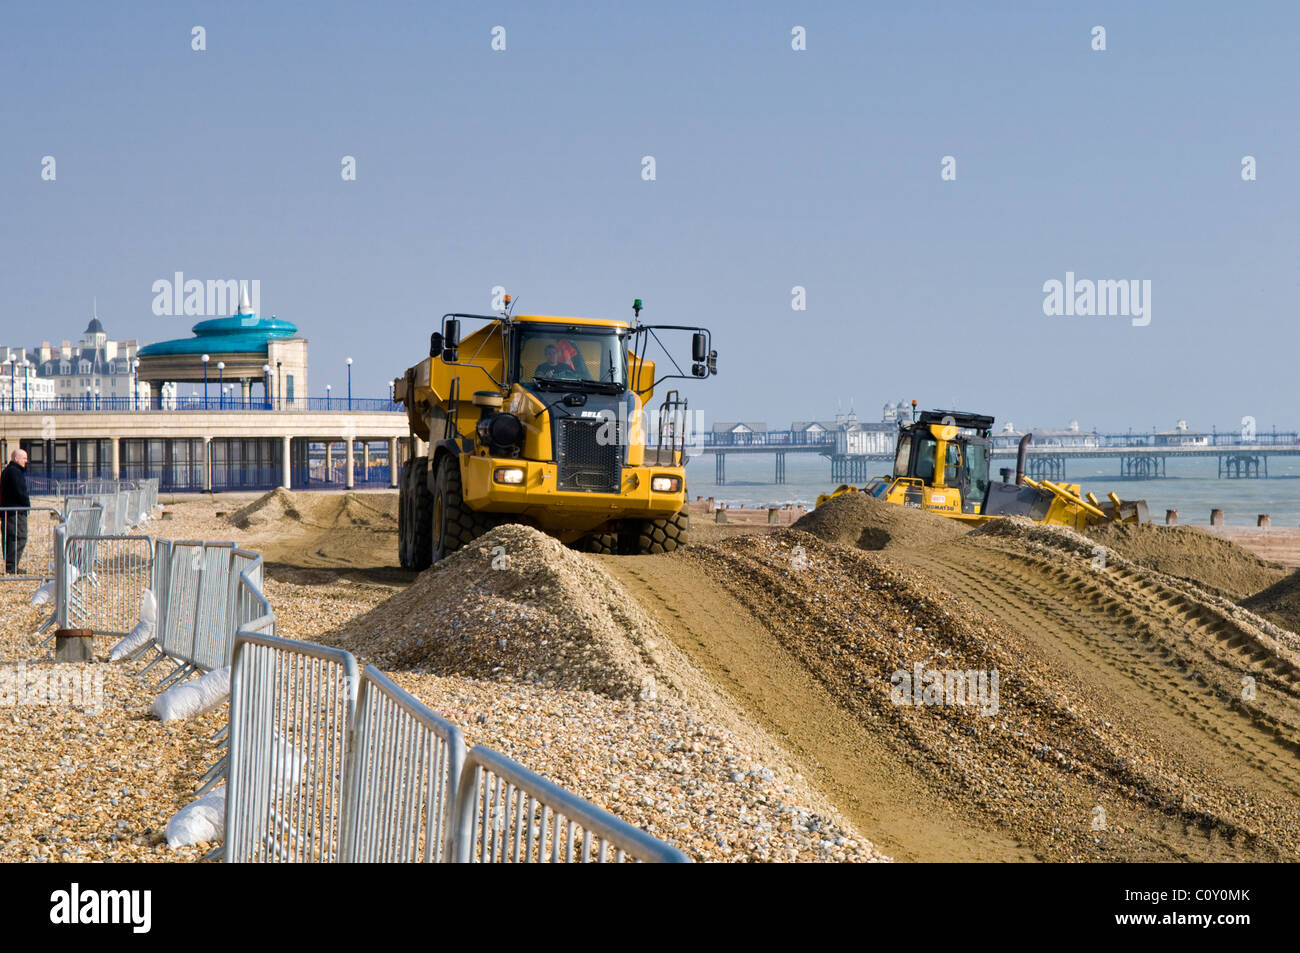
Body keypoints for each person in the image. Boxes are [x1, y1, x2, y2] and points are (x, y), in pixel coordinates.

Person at [1, 449, 30, 575]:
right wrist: (26, 505)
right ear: (16, 459)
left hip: (10, 510)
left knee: (12, 537)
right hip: (15, 511)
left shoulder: (8, 471)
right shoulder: (14, 472)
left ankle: (11, 565)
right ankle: (12, 566)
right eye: (24, 458)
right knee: (18, 537)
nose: (26, 461)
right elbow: (20, 491)